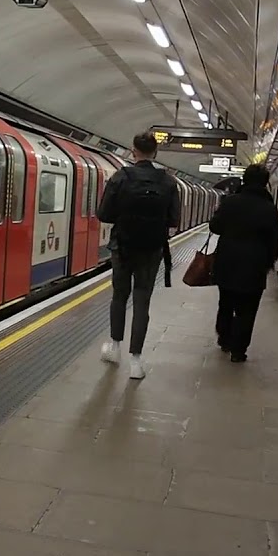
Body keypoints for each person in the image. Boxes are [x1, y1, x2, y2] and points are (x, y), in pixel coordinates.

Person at [96, 132, 180, 379]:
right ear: (155, 152)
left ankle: (114, 347)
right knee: (142, 300)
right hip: (152, 249)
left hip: (122, 247)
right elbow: (174, 219)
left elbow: (103, 214)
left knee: (119, 297)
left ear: (133, 151)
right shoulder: (168, 181)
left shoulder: (121, 177)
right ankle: (136, 362)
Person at [208, 163, 278, 363]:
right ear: (266, 183)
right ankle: (239, 350)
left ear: (244, 180)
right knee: (248, 310)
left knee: (226, 303)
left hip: (227, 263)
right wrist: (269, 262)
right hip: (255, 268)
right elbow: (276, 238)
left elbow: (214, 227)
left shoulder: (230, 202)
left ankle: (224, 338)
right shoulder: (269, 209)